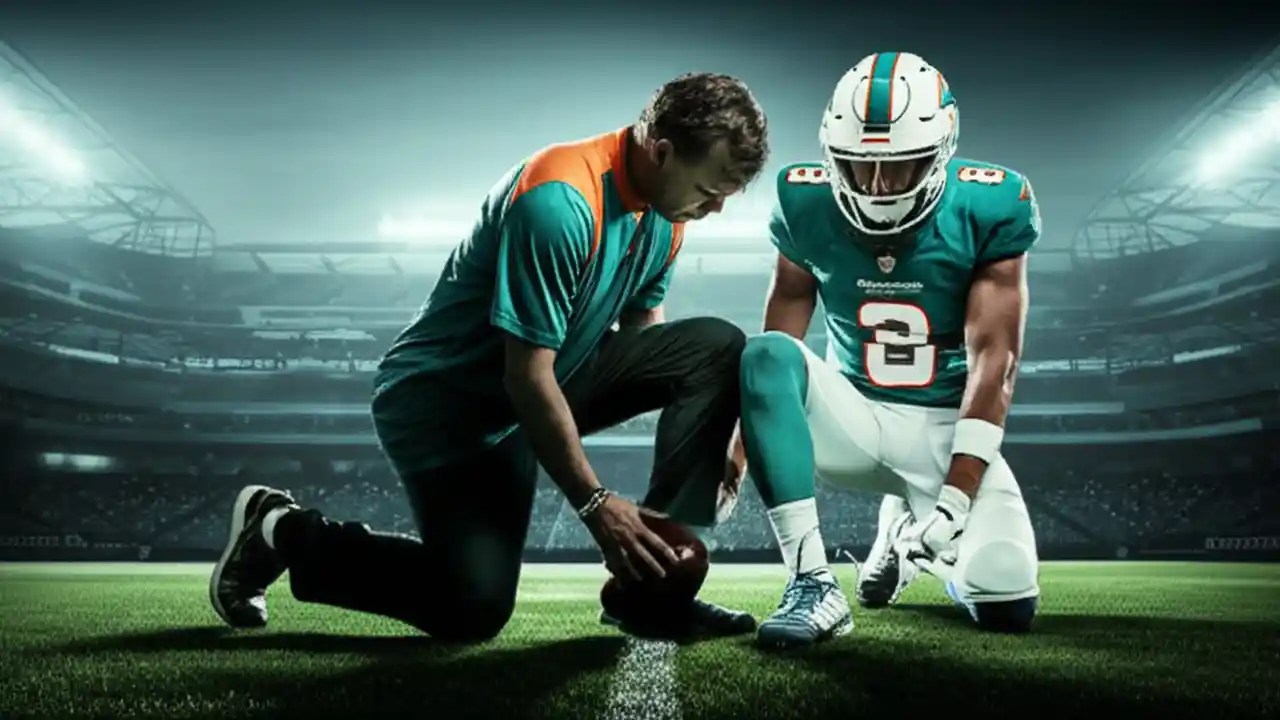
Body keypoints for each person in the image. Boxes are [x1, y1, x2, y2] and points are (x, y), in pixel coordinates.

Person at [207, 72, 769, 642]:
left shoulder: (667, 218)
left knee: (717, 347)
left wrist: (709, 442)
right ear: (663, 151)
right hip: (447, 408)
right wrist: (599, 506)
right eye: (708, 191)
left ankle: (653, 589)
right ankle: (280, 529)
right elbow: (526, 377)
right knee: (472, 609)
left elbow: (651, 344)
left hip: (544, 381)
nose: (718, 209)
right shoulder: (560, 202)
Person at [736, 51, 1042, 650]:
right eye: (857, 165)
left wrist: (953, 505)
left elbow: (995, 366)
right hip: (851, 416)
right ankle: (811, 582)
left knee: (1007, 598)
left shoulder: (990, 205)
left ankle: (905, 541)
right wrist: (737, 451)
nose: (876, 186)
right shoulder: (804, 201)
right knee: (764, 353)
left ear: (939, 154)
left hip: (944, 429)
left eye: (899, 168)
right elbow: (782, 340)